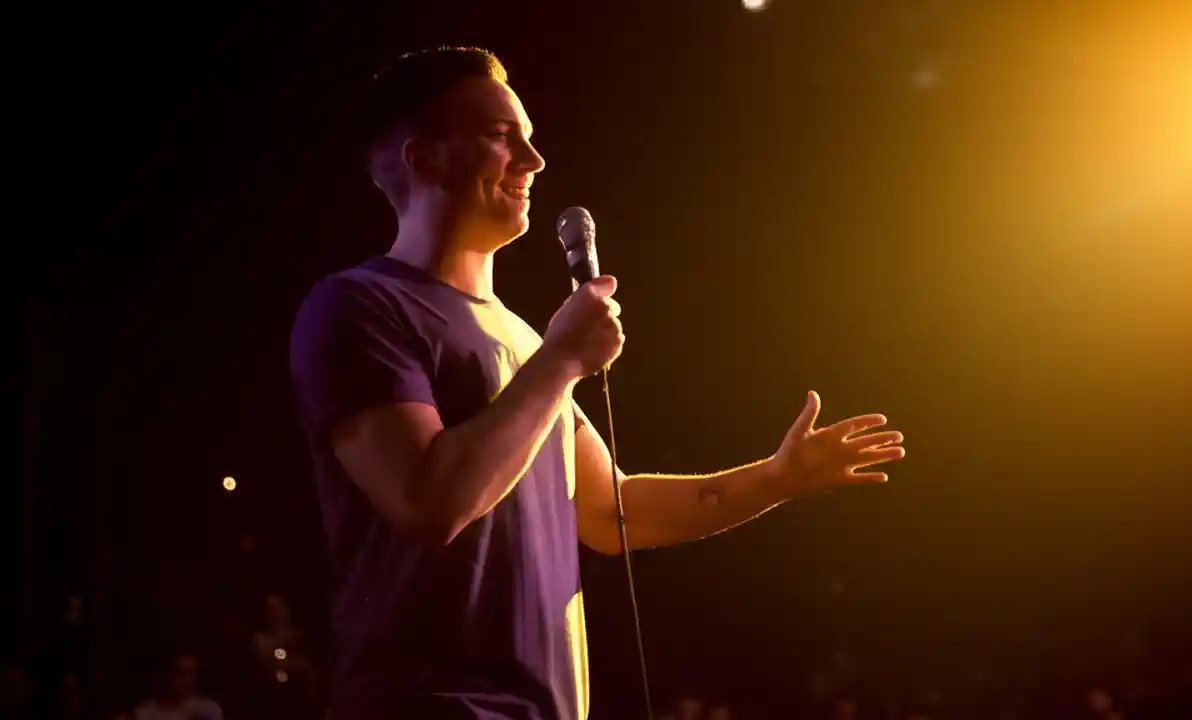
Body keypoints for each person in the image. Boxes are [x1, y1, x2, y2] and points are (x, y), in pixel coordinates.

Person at [289, 46, 907, 720]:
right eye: (503, 137)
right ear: (424, 157)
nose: (534, 160)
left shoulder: (527, 341)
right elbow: (428, 501)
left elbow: (612, 513)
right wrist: (560, 363)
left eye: (530, 138)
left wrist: (778, 478)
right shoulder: (357, 306)